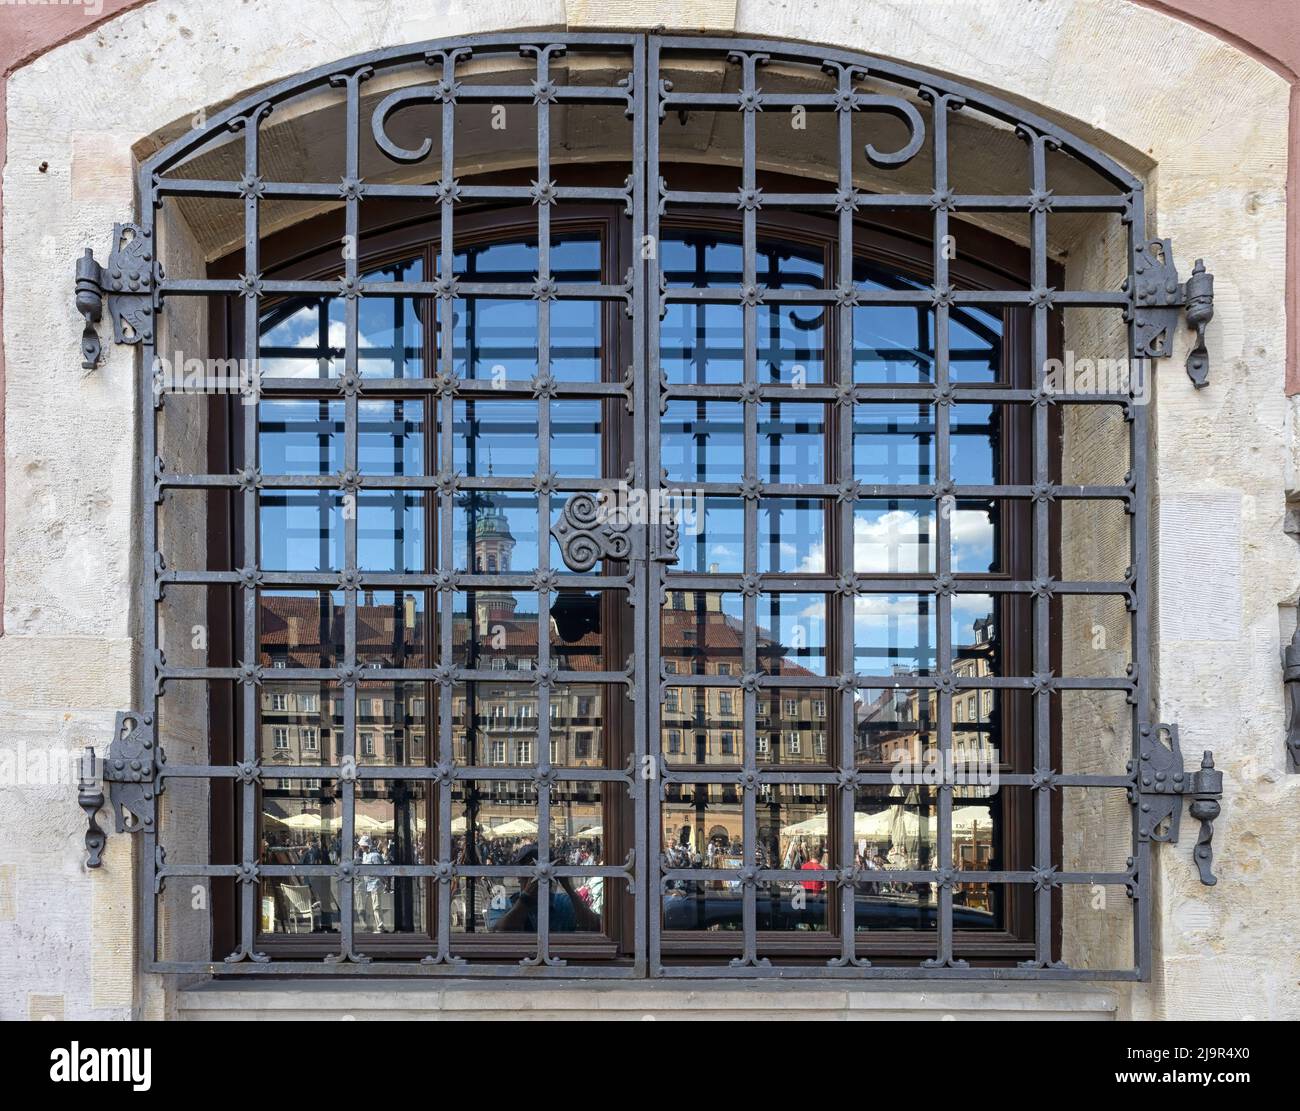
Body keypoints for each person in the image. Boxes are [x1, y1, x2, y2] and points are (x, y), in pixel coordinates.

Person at [487, 843, 601, 933]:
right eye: (531, 870)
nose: (538, 877)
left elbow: (594, 925)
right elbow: (499, 931)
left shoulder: (564, 903)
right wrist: (527, 897)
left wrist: (568, 887)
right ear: (519, 876)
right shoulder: (500, 904)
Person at [356, 834, 385, 932]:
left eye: (361, 845)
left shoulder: (375, 856)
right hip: (368, 885)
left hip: (375, 884)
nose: (360, 847)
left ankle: (380, 926)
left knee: (376, 906)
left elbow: (380, 870)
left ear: (366, 846)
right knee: (370, 907)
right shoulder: (365, 855)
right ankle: (373, 926)